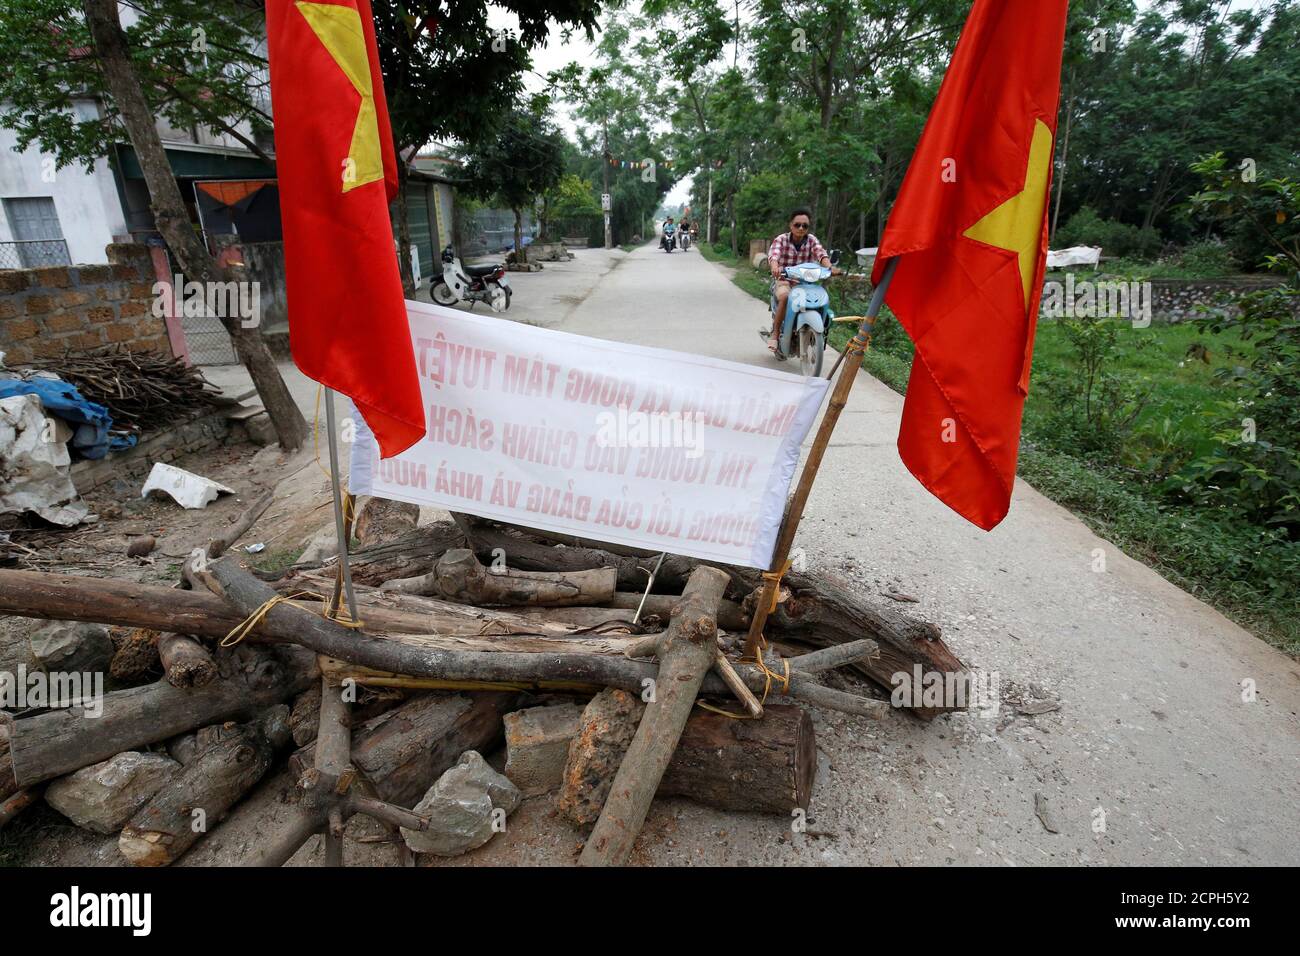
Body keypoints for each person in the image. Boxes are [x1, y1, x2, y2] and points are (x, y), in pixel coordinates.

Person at [766, 208, 833, 352]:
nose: (801, 228)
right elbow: (774, 255)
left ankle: (817, 332)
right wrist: (775, 266)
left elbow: (821, 254)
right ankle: (775, 333)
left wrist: (829, 267)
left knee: (823, 298)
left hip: (806, 283)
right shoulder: (781, 240)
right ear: (791, 225)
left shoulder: (811, 240)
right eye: (797, 225)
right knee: (785, 297)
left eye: (805, 226)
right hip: (784, 280)